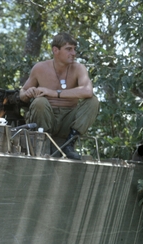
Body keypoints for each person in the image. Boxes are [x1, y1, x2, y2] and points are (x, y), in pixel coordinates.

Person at [20, 32, 100, 160]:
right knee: (39, 102)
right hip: (46, 118)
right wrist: (27, 93)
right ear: (55, 50)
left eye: (74, 49)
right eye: (68, 49)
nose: (73, 53)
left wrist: (54, 93)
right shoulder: (40, 68)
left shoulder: (79, 68)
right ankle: (44, 142)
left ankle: (69, 144)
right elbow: (23, 92)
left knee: (93, 101)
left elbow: (87, 91)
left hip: (68, 121)